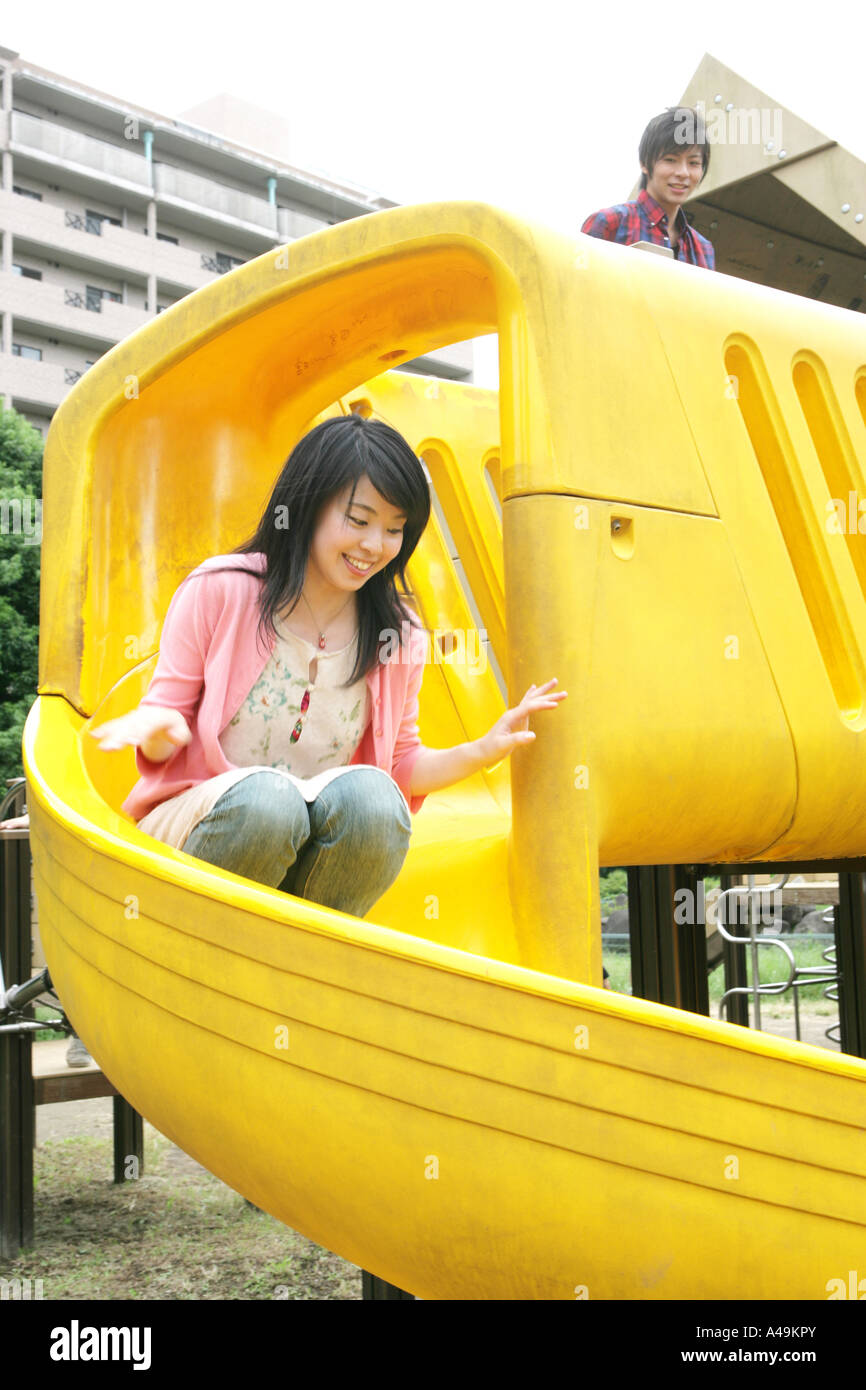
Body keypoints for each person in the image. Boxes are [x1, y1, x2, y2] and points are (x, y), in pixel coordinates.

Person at [90, 414, 567, 919]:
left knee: (375, 801)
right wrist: (160, 728)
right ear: (307, 507)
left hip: (303, 857)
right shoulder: (222, 591)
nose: (374, 546)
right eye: (358, 521)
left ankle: (305, 962)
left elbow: (400, 767)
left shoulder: (397, 635)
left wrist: (484, 748)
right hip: (200, 833)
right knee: (269, 803)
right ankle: (205, 947)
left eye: (394, 530)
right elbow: (164, 727)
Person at [581, 107, 715, 268]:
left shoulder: (703, 249)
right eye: (671, 160)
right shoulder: (609, 224)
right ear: (644, 163)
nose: (683, 173)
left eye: (693, 163)